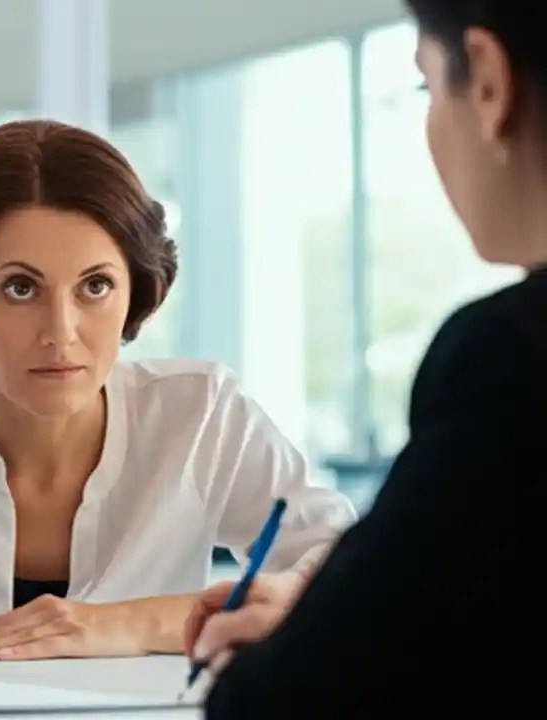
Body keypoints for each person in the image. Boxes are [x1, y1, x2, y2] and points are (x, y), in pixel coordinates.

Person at [0, 119, 357, 659]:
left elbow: (343, 572)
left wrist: (138, 622)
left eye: (96, 286)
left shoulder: (201, 413)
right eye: (21, 288)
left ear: (135, 292)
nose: (61, 332)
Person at [185, 0, 546, 715]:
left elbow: (285, 701)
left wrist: (284, 650)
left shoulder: (511, 359)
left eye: (426, 87)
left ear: (490, 84)